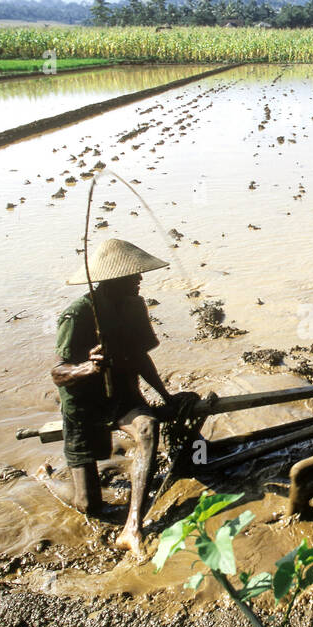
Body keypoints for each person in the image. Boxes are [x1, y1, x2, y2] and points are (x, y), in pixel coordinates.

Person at [50, 238, 191, 560]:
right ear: (112, 280)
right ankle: (47, 479)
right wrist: (88, 367)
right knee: (89, 505)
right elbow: (58, 372)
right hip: (84, 405)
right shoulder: (78, 314)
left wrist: (166, 396)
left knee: (147, 429)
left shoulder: (134, 306)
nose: (140, 279)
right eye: (133, 276)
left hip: (124, 397)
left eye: (138, 274)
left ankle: (132, 525)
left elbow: (140, 357)